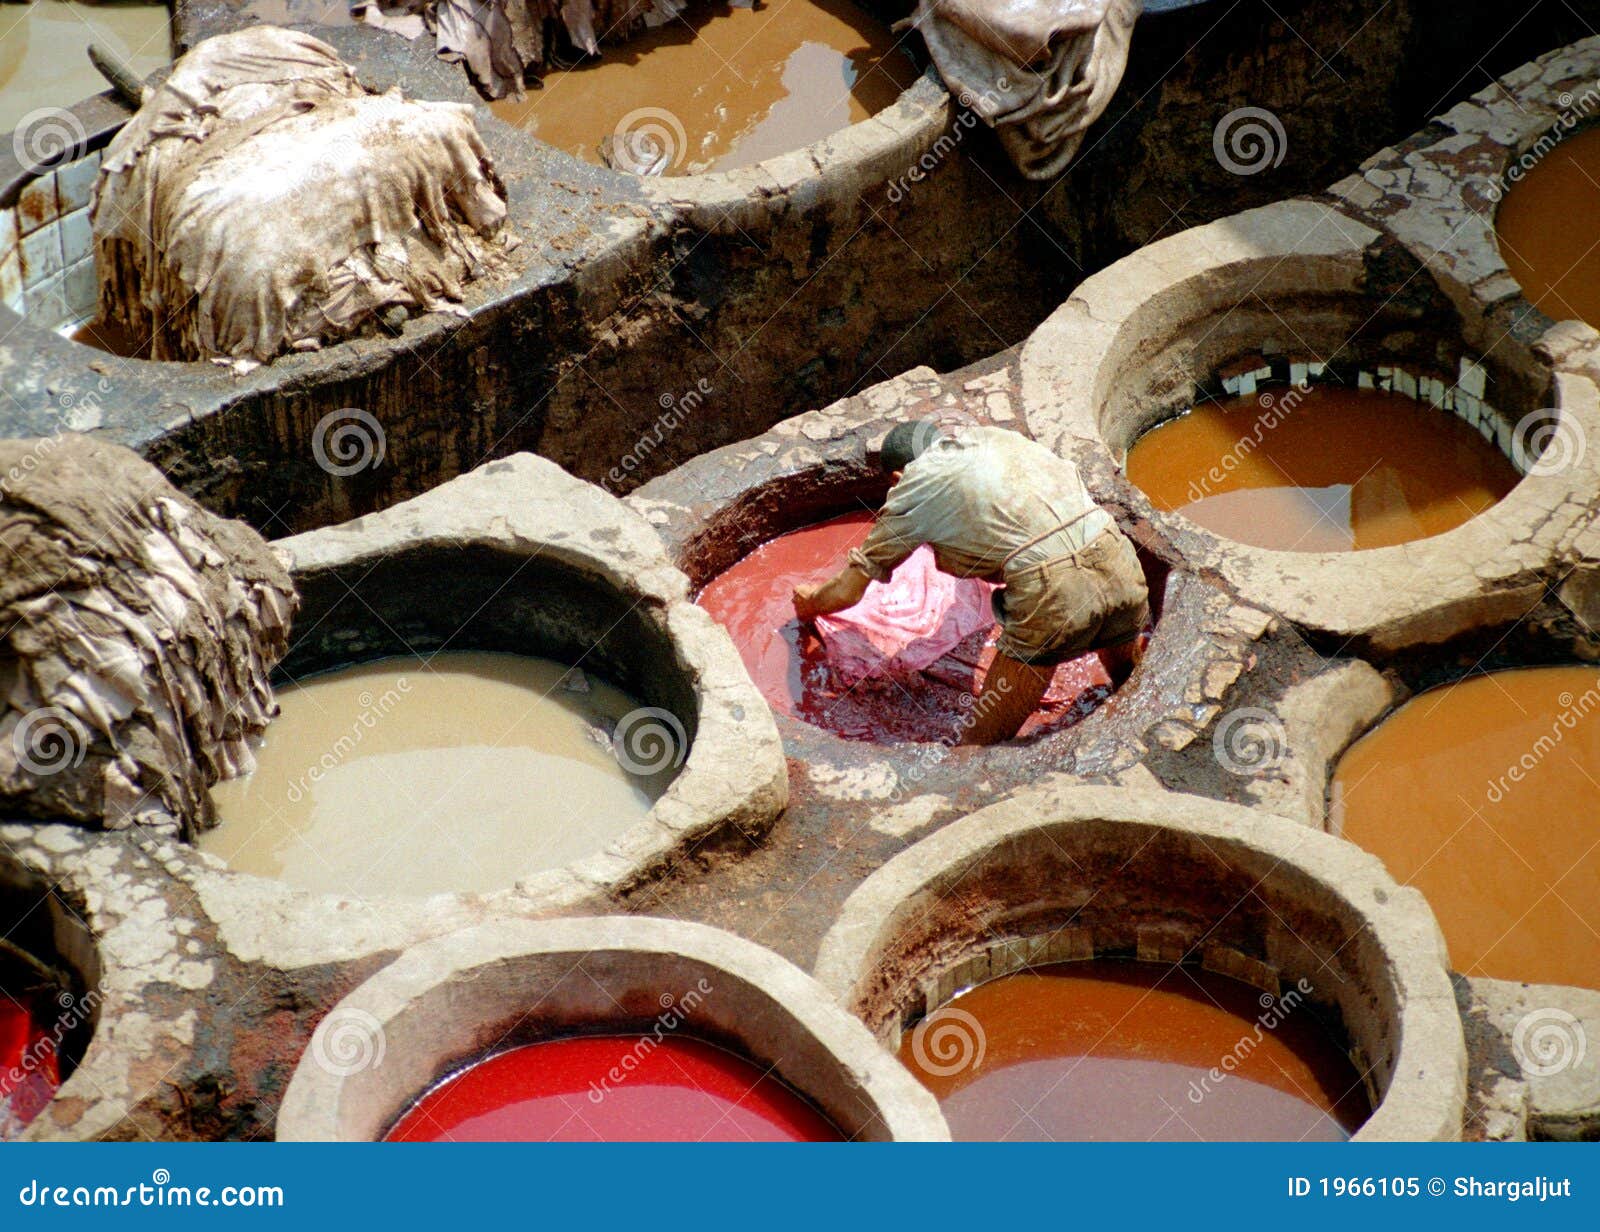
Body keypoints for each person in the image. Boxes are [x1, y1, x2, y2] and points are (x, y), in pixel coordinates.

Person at [792, 421, 1148, 744]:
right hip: (1116, 554)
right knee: (1131, 689)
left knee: (980, 747)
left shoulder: (913, 488)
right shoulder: (995, 440)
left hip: (1052, 592)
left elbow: (848, 591)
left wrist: (808, 603)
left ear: (898, 478)